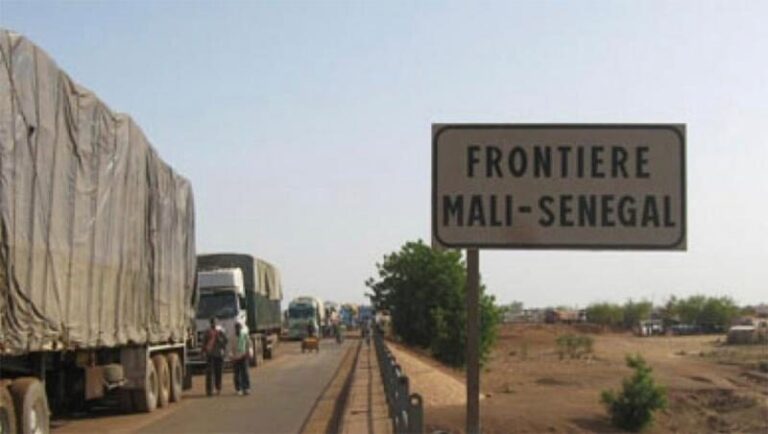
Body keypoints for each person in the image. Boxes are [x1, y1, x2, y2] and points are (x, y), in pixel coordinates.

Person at [203, 317, 227, 396]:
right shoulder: (207, 332)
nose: (213, 324)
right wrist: (203, 352)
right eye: (212, 322)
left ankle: (218, 388)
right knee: (209, 373)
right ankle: (209, 390)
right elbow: (204, 342)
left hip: (219, 355)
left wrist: (219, 339)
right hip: (210, 354)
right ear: (210, 323)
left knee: (218, 373)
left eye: (215, 322)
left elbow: (225, 341)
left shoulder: (220, 331)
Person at [232, 322, 251, 396]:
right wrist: (232, 356)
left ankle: (246, 388)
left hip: (243, 356)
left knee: (245, 373)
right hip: (236, 357)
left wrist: (248, 352)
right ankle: (238, 389)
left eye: (239, 328)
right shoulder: (232, 337)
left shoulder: (244, 335)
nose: (238, 329)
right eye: (236, 328)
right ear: (235, 329)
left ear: (240, 328)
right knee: (236, 374)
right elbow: (231, 348)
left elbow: (248, 344)